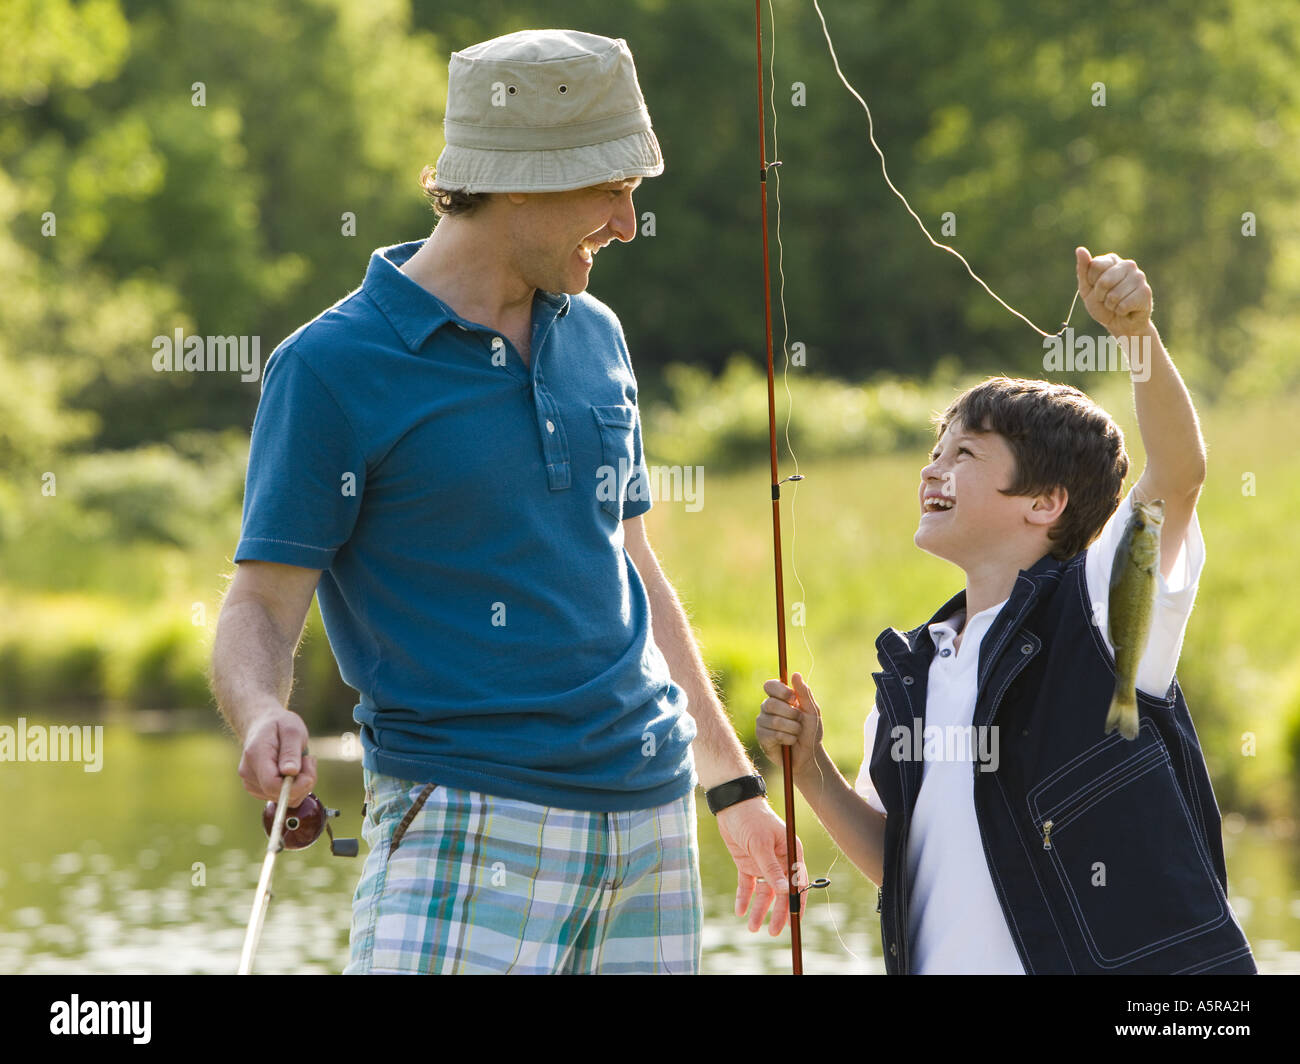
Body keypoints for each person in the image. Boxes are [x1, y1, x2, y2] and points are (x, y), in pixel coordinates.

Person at [211, 28, 800, 975]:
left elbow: (631, 566)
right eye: (610, 189)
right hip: (463, 822)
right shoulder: (329, 368)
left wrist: (730, 787)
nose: (626, 222)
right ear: (520, 179)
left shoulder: (599, 334)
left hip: (650, 828)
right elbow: (262, 604)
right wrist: (256, 713)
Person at [757, 248, 1256, 974]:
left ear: (1044, 503)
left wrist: (1135, 336)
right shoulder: (913, 669)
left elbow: (1178, 476)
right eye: (935, 450)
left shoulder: (1097, 609)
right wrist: (809, 773)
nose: (932, 467)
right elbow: (901, 861)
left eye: (964, 453)